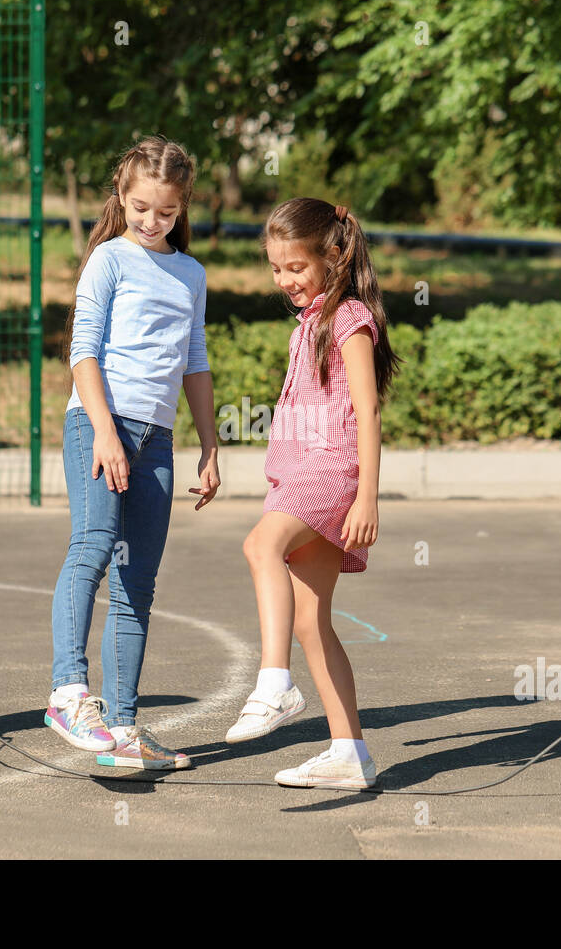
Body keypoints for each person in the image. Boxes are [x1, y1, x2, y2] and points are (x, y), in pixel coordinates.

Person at [45, 137, 220, 770]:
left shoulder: (191, 273)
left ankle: (121, 732)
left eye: (166, 212)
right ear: (122, 197)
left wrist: (209, 444)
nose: (152, 221)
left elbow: (194, 361)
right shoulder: (108, 260)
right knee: (93, 545)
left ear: (183, 208)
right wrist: (106, 435)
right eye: (140, 207)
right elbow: (82, 352)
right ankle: (68, 690)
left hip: (158, 438)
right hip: (100, 424)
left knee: (136, 584)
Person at [225, 197, 401, 789]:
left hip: (331, 472)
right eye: (277, 269)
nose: (285, 280)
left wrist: (368, 497)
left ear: (334, 256)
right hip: (300, 473)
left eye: (296, 267)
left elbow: (368, 409)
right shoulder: (312, 321)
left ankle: (274, 682)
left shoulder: (349, 317)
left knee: (259, 547)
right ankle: (350, 752)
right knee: (311, 621)